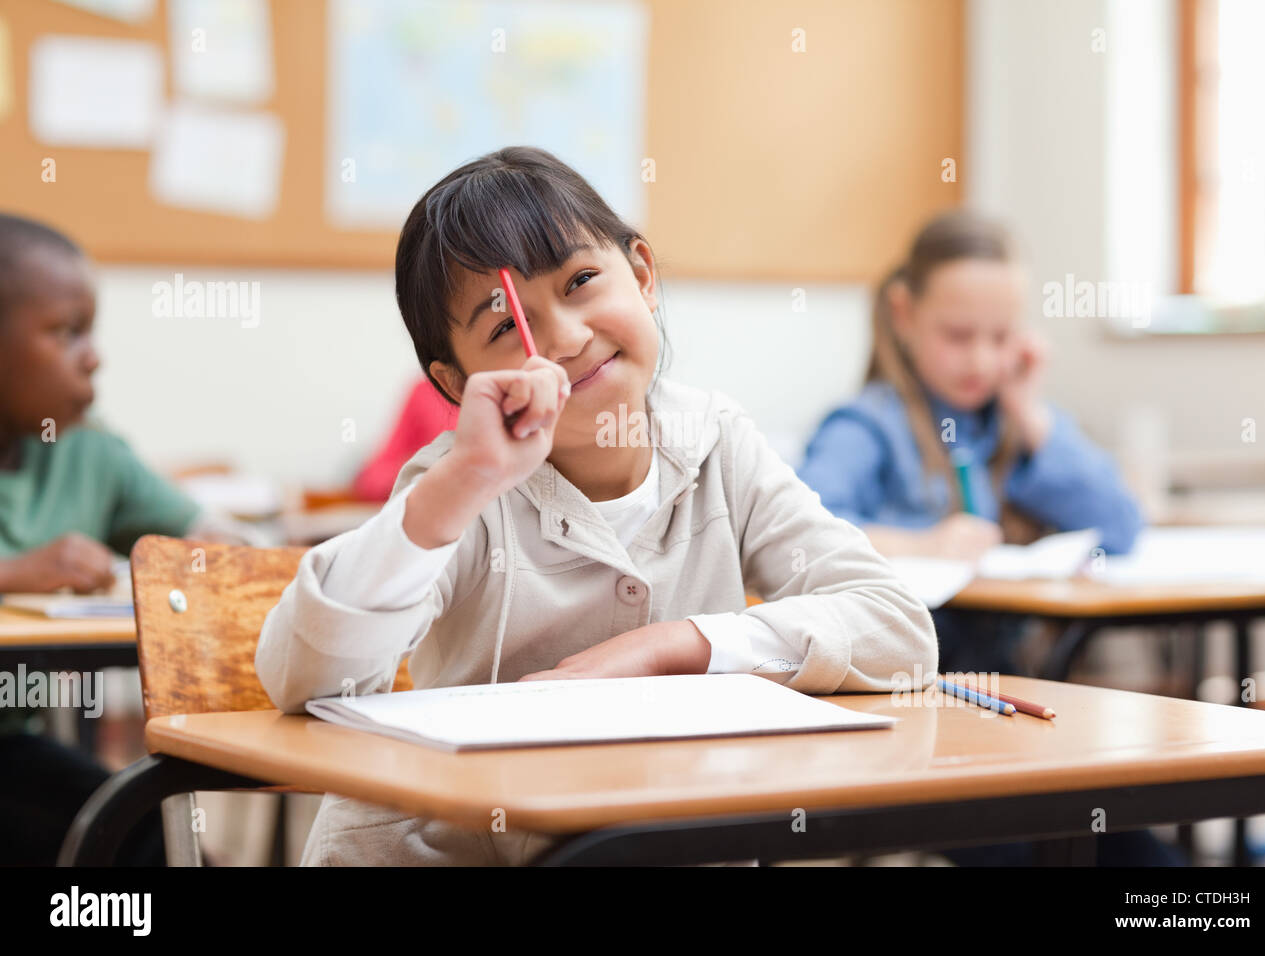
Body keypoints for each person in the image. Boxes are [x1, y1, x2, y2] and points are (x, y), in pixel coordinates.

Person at [255, 146, 939, 866]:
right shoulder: (456, 486)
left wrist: (671, 648)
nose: (566, 339)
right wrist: (459, 485)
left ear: (641, 274)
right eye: (504, 328)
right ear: (455, 384)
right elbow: (303, 680)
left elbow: (897, 629)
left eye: (582, 281)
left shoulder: (718, 444)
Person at [797, 210, 1180, 866]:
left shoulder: (1010, 424)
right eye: (958, 335)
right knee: (1030, 850)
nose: (981, 358)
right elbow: (797, 533)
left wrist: (1029, 411)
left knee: (1144, 856)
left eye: (1000, 337)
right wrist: (922, 544)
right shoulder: (867, 426)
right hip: (914, 728)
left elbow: (1119, 523)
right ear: (904, 313)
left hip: (1014, 713)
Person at [0, 213, 245, 864]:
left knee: (137, 826)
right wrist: (16, 571)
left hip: (9, 747)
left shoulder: (87, 448)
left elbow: (214, 542)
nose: (94, 355)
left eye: (92, 330)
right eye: (65, 331)